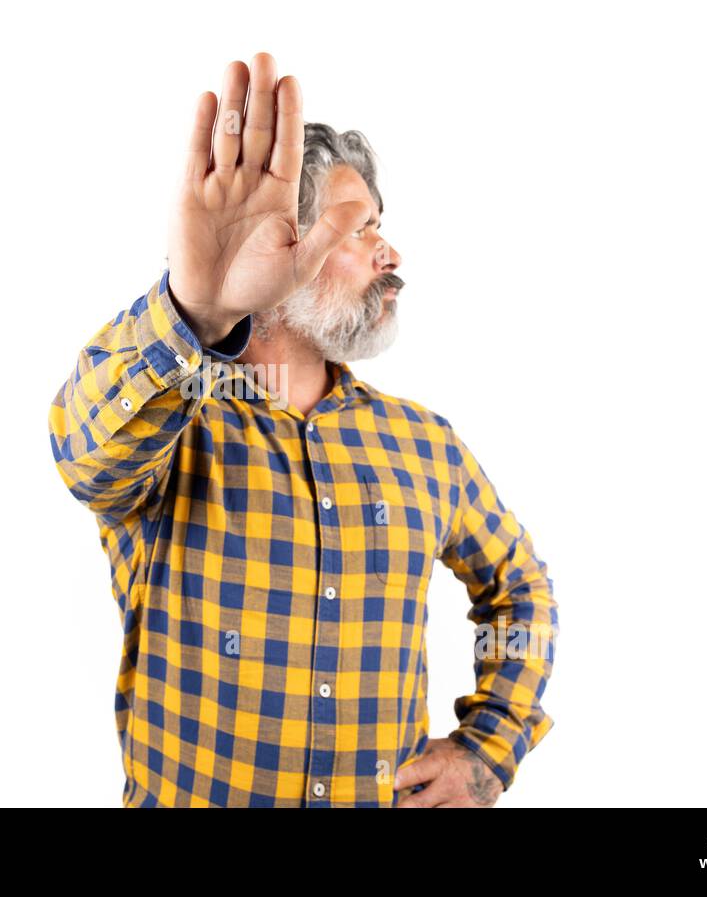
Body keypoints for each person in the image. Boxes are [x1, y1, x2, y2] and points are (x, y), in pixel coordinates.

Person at [48, 52, 559, 807]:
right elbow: (83, 451)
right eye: (360, 232)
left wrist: (491, 744)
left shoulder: (426, 446)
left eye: (382, 228)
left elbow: (521, 589)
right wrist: (196, 305)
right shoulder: (174, 421)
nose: (391, 254)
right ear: (276, 244)